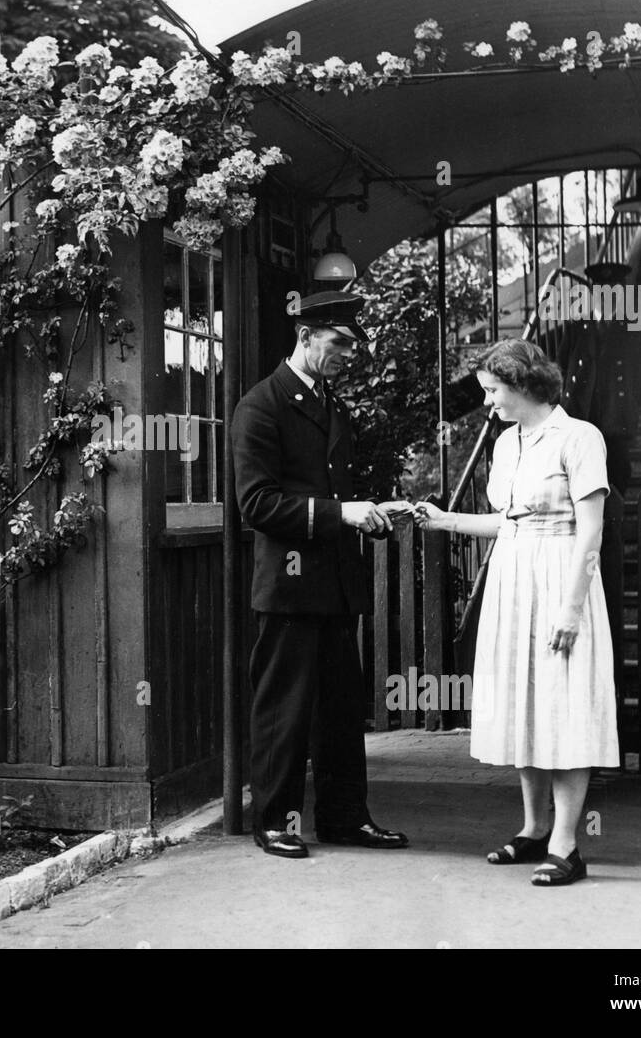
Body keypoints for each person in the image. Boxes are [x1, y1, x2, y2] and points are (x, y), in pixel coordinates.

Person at [414, 338, 617, 886]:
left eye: (493, 391)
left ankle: (568, 845)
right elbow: (508, 522)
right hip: (514, 580)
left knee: (567, 706)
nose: (489, 403)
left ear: (523, 384)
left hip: (562, 580)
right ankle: (532, 829)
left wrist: (571, 609)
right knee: (528, 702)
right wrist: (443, 520)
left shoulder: (579, 438)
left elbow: (591, 530)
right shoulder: (507, 444)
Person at [232, 289, 412, 859]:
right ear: (305, 337)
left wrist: (369, 517)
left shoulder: (330, 405)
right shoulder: (261, 406)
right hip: (288, 588)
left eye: (352, 347)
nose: (346, 355)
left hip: (333, 584)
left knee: (339, 713)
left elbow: (332, 497)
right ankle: (277, 822)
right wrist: (343, 514)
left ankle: (343, 819)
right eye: (338, 344)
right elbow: (256, 505)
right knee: (284, 710)